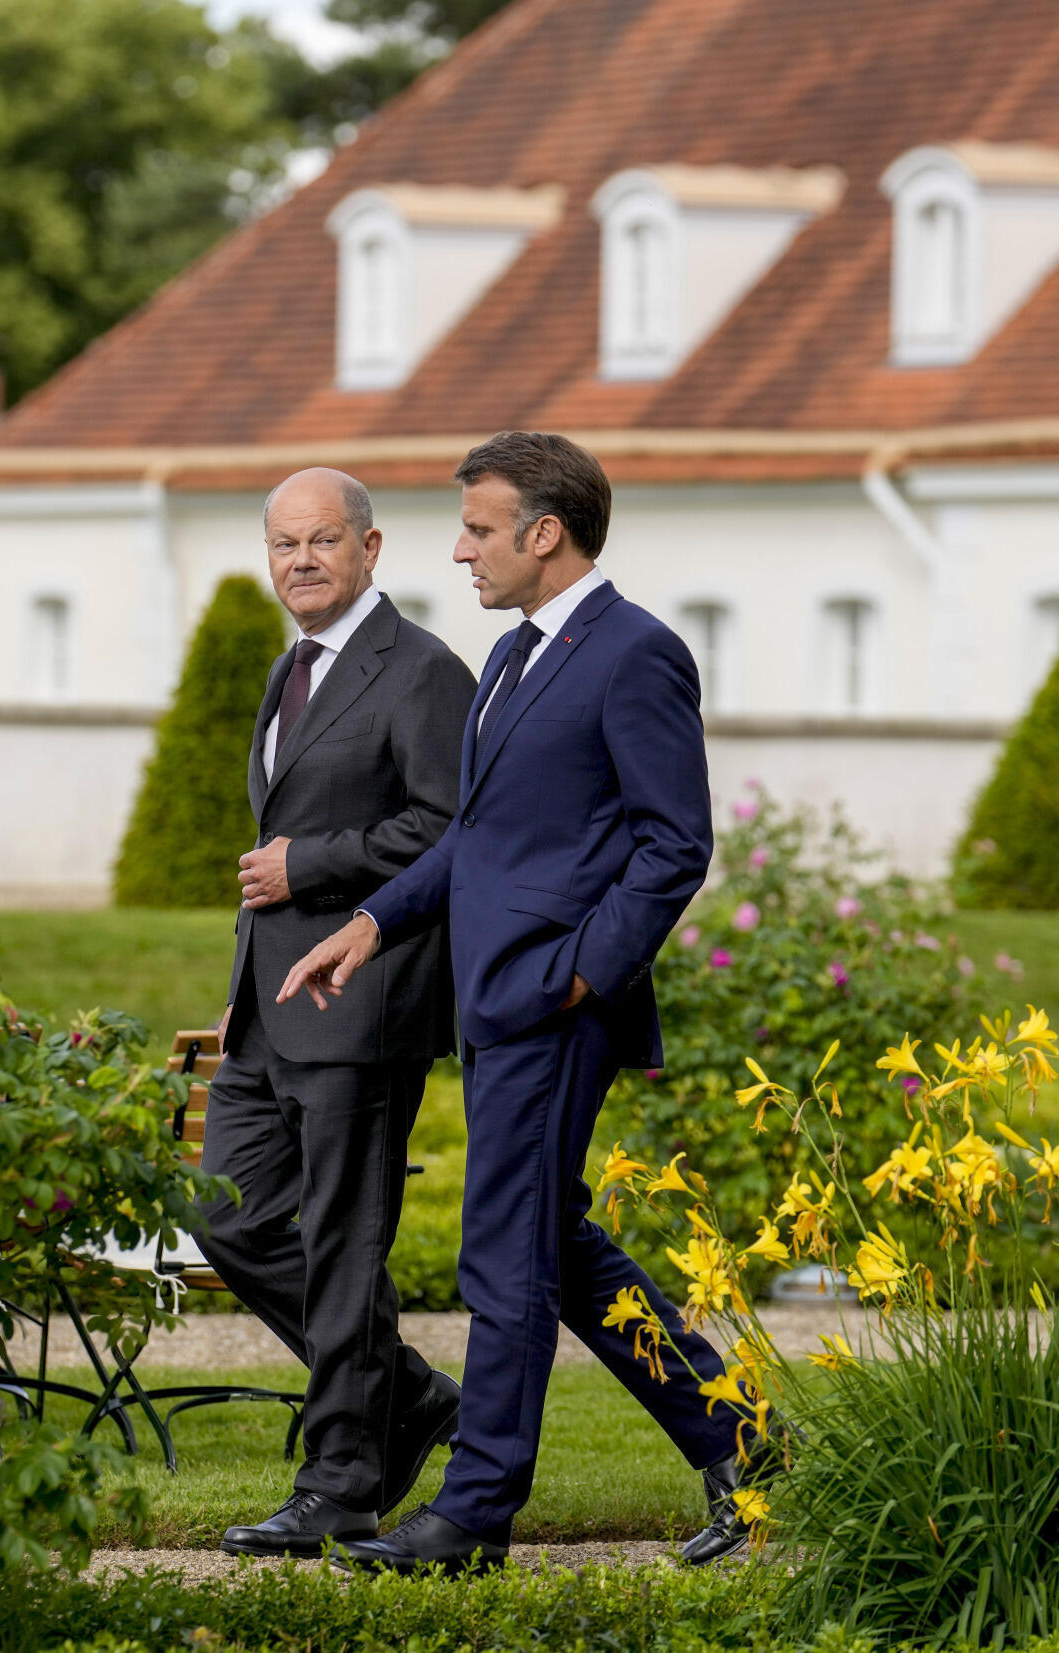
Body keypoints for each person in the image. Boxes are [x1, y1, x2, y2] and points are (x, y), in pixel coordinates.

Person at [277, 432, 752, 1573]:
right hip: (496, 1003)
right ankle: (743, 1436)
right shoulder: (508, 660)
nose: (460, 552)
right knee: (554, 1243)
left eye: (479, 529)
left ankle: (473, 1514)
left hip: (552, 1008)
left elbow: (672, 845)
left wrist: (579, 972)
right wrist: (373, 921)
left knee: (506, 1256)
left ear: (546, 532)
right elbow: (480, 840)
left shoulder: (634, 653)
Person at [194, 466, 479, 1558]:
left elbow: (451, 831)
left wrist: (306, 864)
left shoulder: (419, 674)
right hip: (265, 1009)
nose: (299, 561)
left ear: (369, 549)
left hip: (361, 1001)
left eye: (321, 541)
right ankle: (405, 1396)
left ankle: (342, 1481)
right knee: (229, 1216)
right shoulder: (290, 670)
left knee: (344, 1244)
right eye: (282, 546)